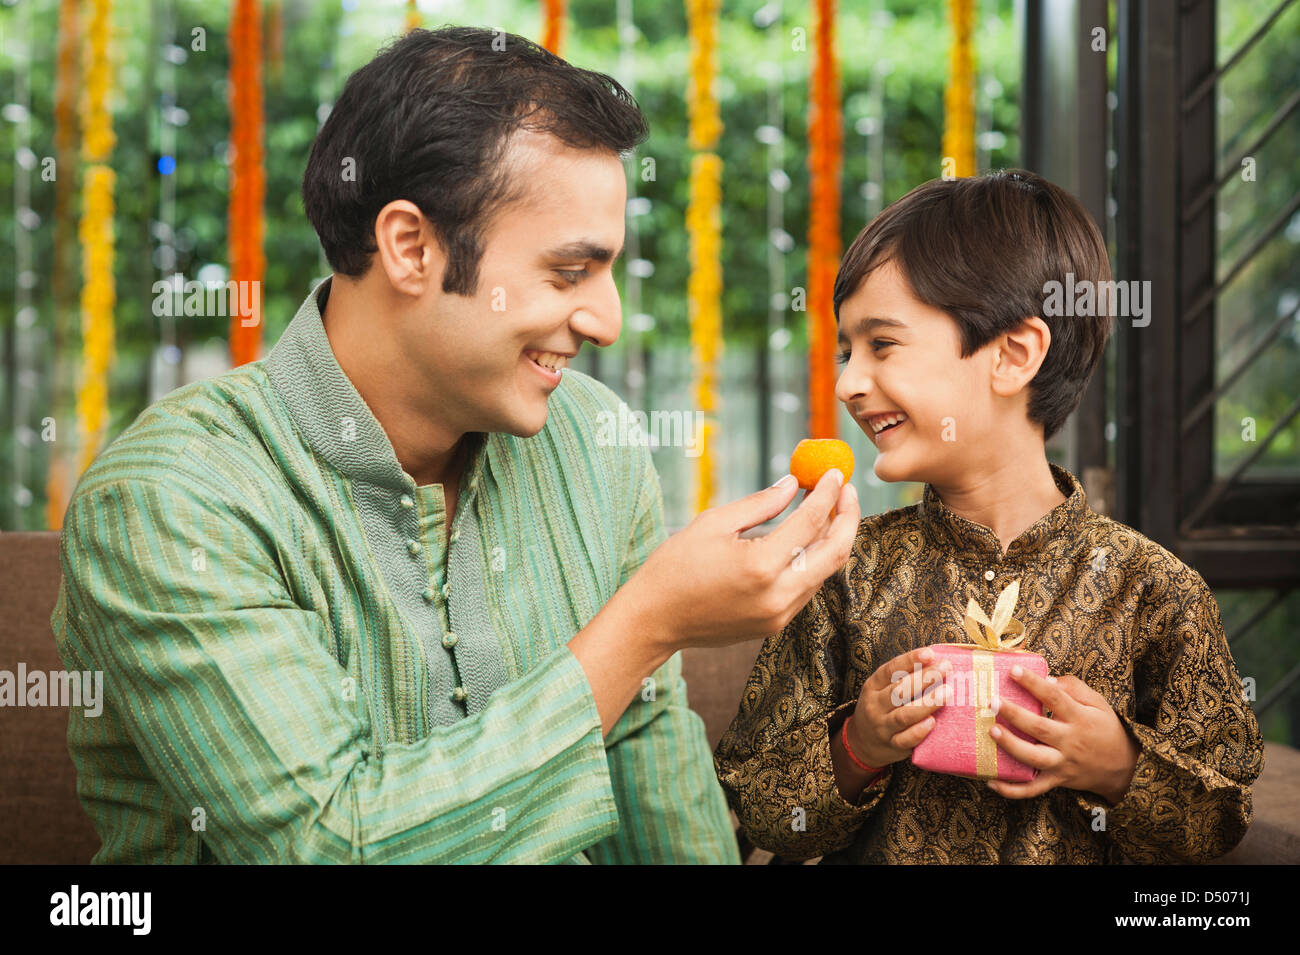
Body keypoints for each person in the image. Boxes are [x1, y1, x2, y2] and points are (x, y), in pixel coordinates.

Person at [51, 25, 859, 864]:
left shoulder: (592, 441)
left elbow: (649, 777)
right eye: (568, 272)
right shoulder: (172, 498)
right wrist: (645, 625)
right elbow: (324, 843)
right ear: (412, 247)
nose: (608, 321)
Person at [713, 169, 1265, 864]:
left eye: (882, 344)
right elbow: (756, 807)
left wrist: (1119, 765)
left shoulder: (1153, 590)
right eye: (846, 350)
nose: (848, 381)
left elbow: (1222, 818)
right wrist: (858, 744)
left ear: (1012, 355)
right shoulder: (843, 573)